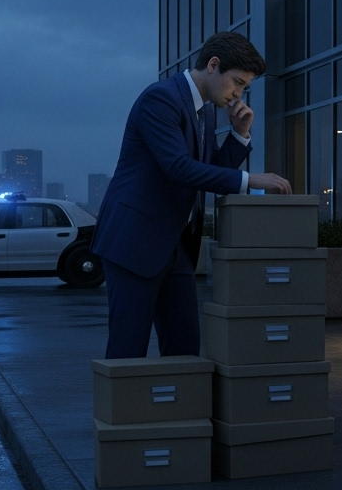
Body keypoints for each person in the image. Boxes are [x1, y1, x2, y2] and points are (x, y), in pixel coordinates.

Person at [93, 31, 292, 359]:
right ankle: (127, 412)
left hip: (177, 246)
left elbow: (209, 172)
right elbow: (179, 168)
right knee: (127, 354)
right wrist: (250, 179)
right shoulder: (160, 99)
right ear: (213, 65)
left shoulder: (206, 111)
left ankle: (177, 412)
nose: (238, 94)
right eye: (238, 83)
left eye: (244, 87)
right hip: (134, 242)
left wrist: (239, 135)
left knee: (185, 349)